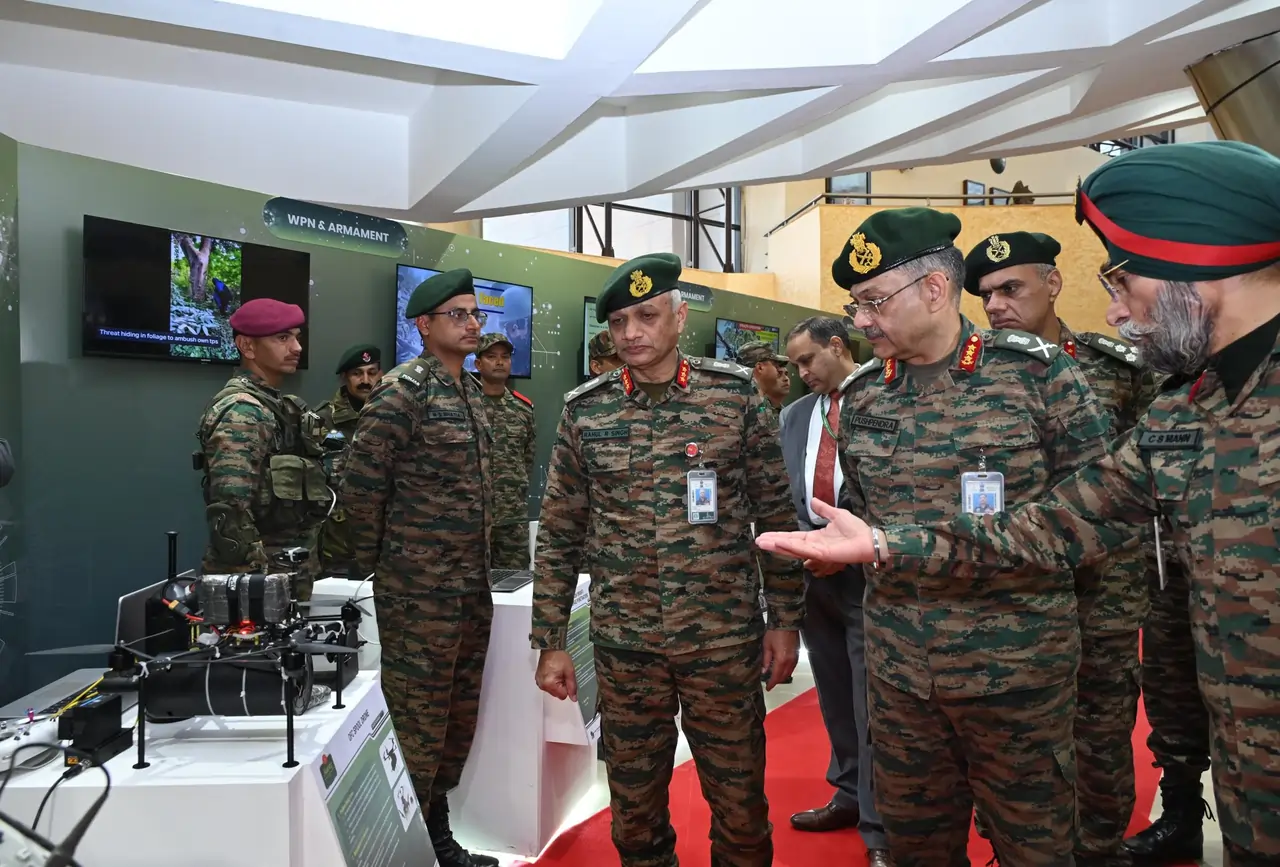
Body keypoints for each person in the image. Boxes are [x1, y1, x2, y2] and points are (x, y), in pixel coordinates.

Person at [754, 140, 1280, 867]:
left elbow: (1103, 547)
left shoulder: (1049, 379)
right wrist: (884, 545)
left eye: (1124, 280)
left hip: (1021, 677)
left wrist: (1093, 669)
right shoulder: (1187, 412)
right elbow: (1057, 522)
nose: (1119, 309)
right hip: (1246, 773)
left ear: (1197, 265)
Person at [822, 206, 1113, 866]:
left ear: (933, 288)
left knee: (1036, 850)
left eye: (873, 301)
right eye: (855, 303)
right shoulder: (866, 396)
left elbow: (1098, 516)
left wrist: (910, 542)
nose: (861, 320)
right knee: (917, 850)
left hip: (1016, 683)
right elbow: (863, 518)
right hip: (902, 688)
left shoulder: (1038, 374)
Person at [531, 252, 804, 867]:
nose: (631, 333)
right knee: (634, 812)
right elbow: (559, 530)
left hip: (722, 640)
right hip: (627, 648)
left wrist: (785, 622)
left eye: (647, 316)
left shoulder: (733, 398)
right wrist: (550, 639)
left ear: (679, 318)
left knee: (739, 807)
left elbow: (775, 519)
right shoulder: (586, 409)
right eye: (619, 321)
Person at [965, 230, 1156, 867]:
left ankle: (1099, 850)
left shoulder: (1115, 368)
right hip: (1010, 592)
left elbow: (1150, 475)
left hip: (1098, 591)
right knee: (1011, 737)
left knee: (1098, 734)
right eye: (986, 295)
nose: (995, 306)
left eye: (1010, 288)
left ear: (1052, 283)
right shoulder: (973, 374)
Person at [338, 269, 497, 867]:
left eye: (475, 313)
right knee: (417, 720)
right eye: (457, 314)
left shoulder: (473, 393)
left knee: (457, 717)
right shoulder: (403, 392)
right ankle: (406, 846)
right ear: (424, 325)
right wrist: (391, 562)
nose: (472, 323)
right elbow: (361, 489)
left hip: (469, 587)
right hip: (419, 592)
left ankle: (437, 836)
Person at [778, 316, 889, 866]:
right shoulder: (795, 416)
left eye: (807, 361)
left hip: (873, 575)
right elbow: (789, 491)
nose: (801, 374)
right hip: (814, 580)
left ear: (838, 345)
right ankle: (847, 794)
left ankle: (881, 825)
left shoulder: (885, 398)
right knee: (834, 694)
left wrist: (848, 543)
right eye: (794, 365)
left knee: (875, 705)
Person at [194, 298, 330, 600]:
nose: (296, 347)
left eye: (296, 337)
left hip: (288, 569)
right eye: (283, 338)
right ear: (247, 346)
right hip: (258, 580)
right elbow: (232, 511)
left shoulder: (277, 406)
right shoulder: (242, 410)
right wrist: (253, 588)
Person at [314, 343, 382, 577]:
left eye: (372, 372)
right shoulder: (321, 421)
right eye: (357, 373)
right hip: (338, 543)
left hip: (386, 541)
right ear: (345, 377)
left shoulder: (392, 417)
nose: (365, 380)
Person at [473, 332, 535, 571]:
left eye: (505, 357)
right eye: (491, 356)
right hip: (473, 520)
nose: (499, 362)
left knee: (516, 585)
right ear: (478, 364)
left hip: (512, 519)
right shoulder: (466, 404)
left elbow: (527, 458)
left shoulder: (523, 408)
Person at [737, 339, 791, 412]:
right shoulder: (747, 407)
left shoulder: (743, 400)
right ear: (760, 367)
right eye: (775, 365)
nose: (777, 370)